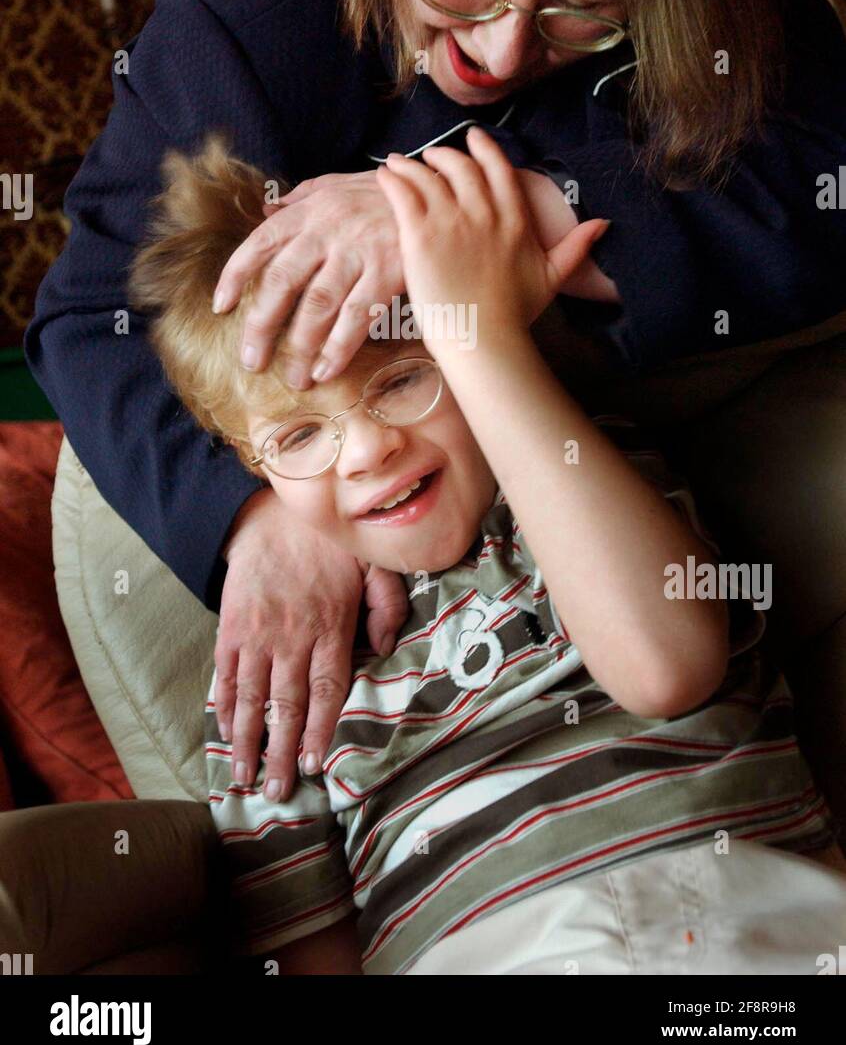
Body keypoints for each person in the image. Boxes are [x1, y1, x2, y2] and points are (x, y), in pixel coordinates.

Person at [25, 0, 846, 829]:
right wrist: (251, 520)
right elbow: (87, 310)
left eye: (581, 11)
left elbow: (823, 181)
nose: (504, 51)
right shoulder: (237, 21)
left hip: (658, 445)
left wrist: (478, 206)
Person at [127, 131, 846, 976]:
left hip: (741, 930)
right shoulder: (280, 665)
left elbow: (665, 670)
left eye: (401, 379)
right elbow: (307, 952)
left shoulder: (585, 479)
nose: (366, 450)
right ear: (253, 466)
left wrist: (482, 334)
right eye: (299, 435)